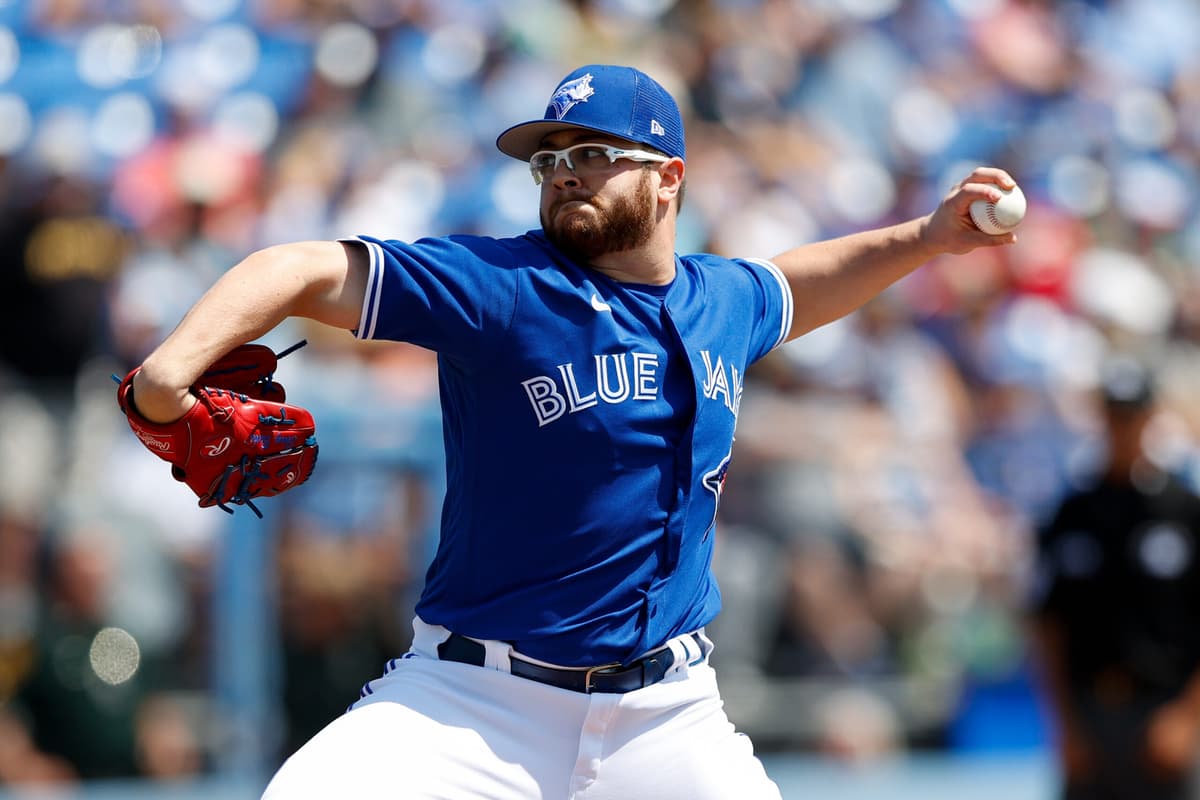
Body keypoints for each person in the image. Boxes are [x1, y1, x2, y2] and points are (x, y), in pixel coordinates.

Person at [126, 64, 1017, 799]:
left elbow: (800, 284)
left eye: (594, 153)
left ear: (669, 177)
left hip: (667, 714)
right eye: (549, 159)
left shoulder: (722, 301)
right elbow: (297, 267)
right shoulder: (502, 288)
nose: (564, 173)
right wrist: (168, 374)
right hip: (473, 702)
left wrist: (929, 236)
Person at [1028, 357, 1200, 800]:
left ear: (1150, 418)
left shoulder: (1184, 514)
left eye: (1132, 415)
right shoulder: (1072, 515)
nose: (1123, 427)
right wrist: (1064, 725)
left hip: (1162, 716)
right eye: (1115, 415)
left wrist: (1189, 717)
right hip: (1091, 717)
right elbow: (1048, 625)